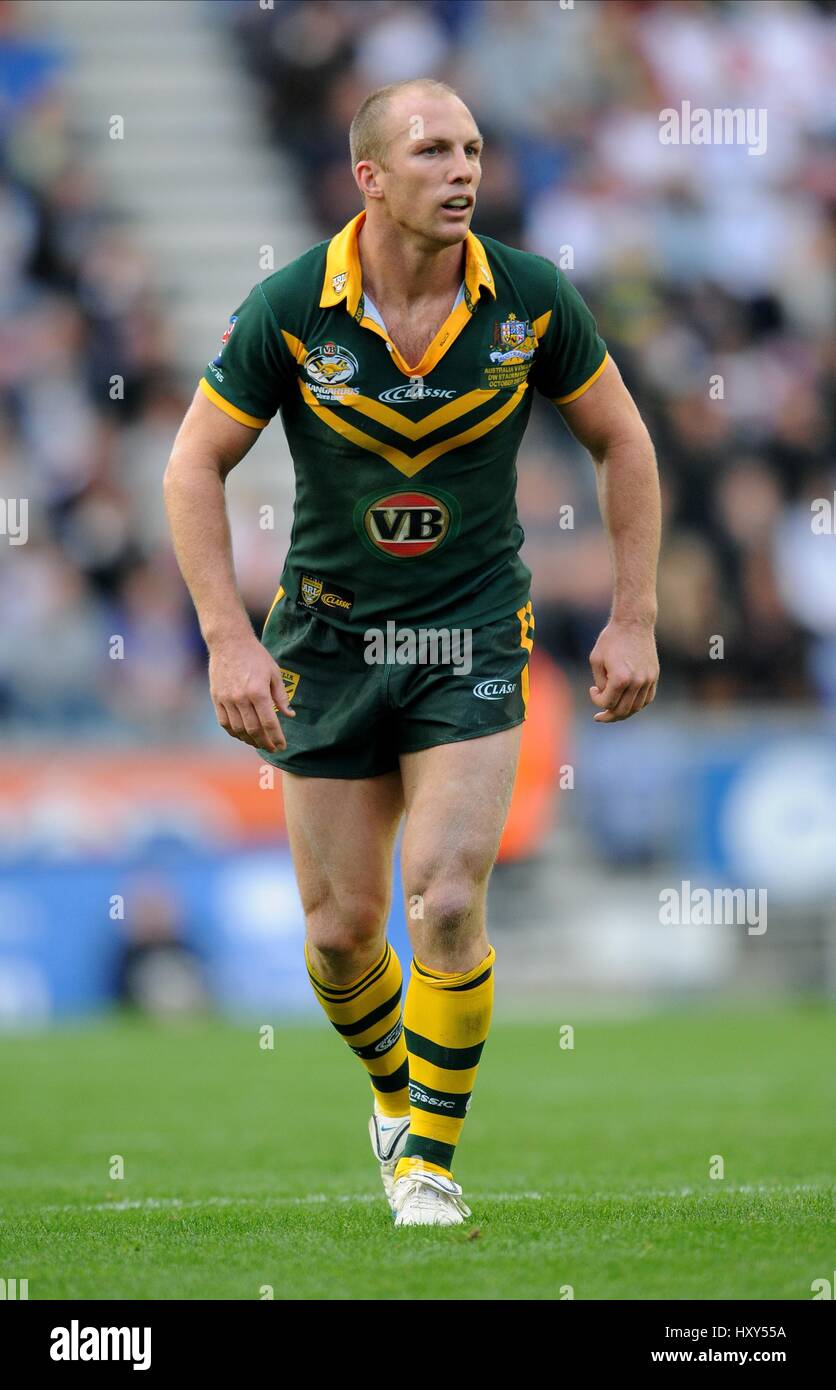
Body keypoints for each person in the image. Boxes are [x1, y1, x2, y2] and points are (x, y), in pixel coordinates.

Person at [163, 78, 660, 1227]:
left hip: (470, 634)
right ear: (369, 176)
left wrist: (632, 615)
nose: (464, 169)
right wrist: (227, 639)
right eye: (433, 150)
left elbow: (621, 443)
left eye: (474, 148)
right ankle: (392, 1091)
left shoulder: (530, 298)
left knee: (440, 898)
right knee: (340, 936)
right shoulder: (292, 305)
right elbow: (193, 467)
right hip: (327, 642)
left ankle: (426, 1168)